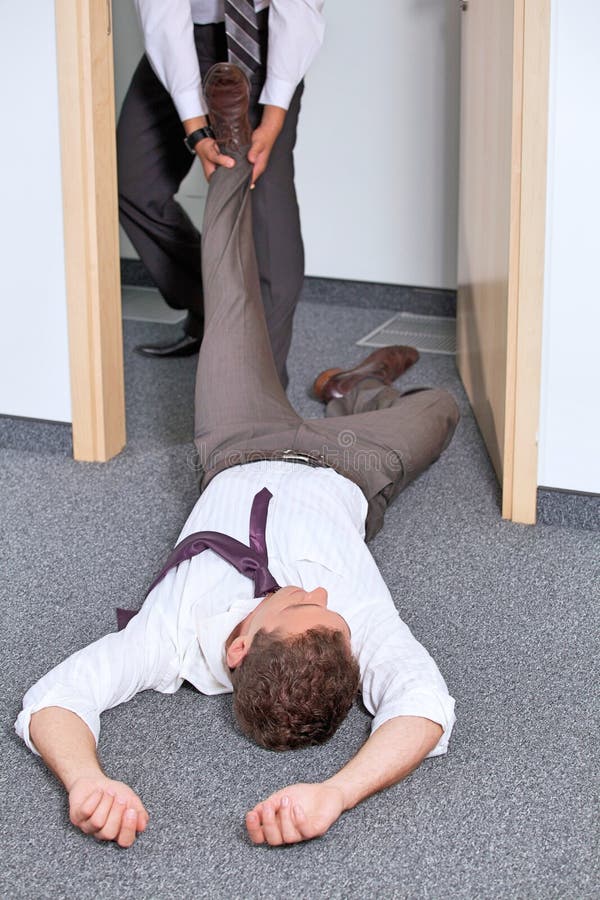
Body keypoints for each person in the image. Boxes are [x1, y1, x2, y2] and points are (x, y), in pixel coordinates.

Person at [15, 65, 460, 850]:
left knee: (228, 293)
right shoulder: (347, 628)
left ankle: (224, 148)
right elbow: (425, 703)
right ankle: (359, 388)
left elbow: (55, 699)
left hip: (238, 438)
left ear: (238, 644)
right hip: (355, 462)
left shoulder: (170, 636)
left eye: (296, 600)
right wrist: (337, 794)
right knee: (441, 409)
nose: (321, 588)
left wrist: (86, 780)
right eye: (327, 605)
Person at [118, 0, 324, 388]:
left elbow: (299, 8)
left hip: (265, 40)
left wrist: (274, 112)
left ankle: (261, 393)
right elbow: (163, 14)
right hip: (181, 38)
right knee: (131, 182)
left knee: (264, 213)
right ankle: (215, 313)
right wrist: (196, 129)